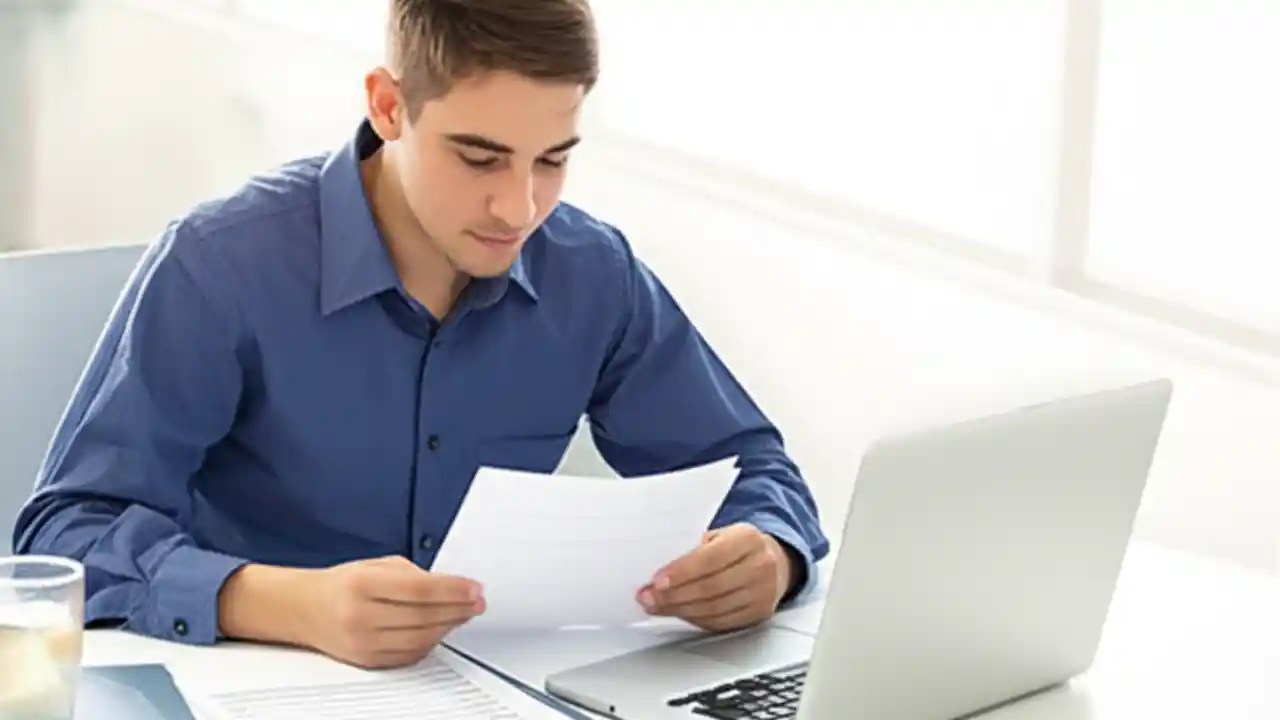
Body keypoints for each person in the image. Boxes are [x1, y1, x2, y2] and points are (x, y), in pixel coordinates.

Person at [13, 0, 828, 670]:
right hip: (258, 689)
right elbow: (66, 532)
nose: (520, 208)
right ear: (388, 104)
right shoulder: (219, 264)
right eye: (480, 158)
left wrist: (769, 554)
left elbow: (753, 467)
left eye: (552, 160)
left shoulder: (591, 273)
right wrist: (290, 603)